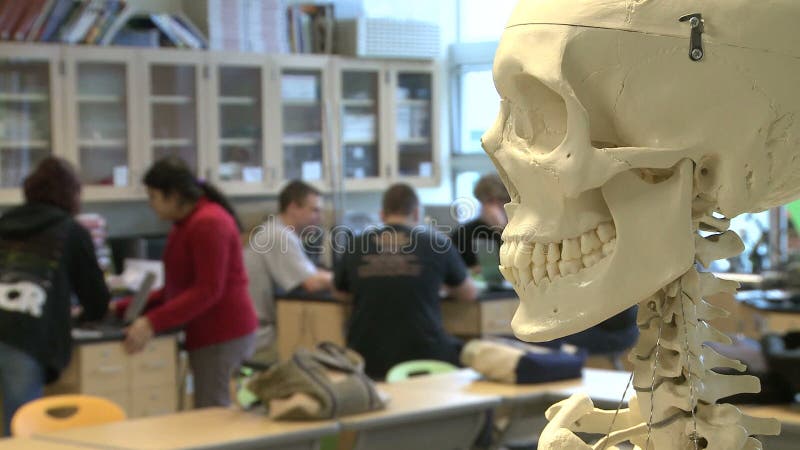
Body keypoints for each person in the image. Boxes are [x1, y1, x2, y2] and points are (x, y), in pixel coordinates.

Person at [121, 156, 258, 408]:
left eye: (153, 197)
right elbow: (178, 288)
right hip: (210, 334)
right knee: (211, 411)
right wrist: (124, 307)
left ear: (173, 195)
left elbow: (207, 290)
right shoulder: (186, 224)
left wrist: (152, 321)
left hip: (222, 335)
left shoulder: (209, 223)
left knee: (215, 415)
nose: (150, 205)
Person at [0, 157, 110, 435]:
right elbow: (96, 299)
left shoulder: (4, 222)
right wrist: (78, 318)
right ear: (71, 194)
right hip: (26, 334)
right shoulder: (71, 231)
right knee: (23, 429)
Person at [334, 183, 478, 379]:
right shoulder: (436, 244)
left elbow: (339, 292)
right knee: (469, 360)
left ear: (382, 214)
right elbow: (469, 293)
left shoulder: (355, 245)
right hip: (426, 354)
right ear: (417, 213)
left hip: (366, 355)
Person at [244, 180, 333, 363]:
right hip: (261, 341)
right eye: (314, 210)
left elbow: (310, 273)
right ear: (293, 208)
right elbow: (312, 282)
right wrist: (349, 277)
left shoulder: (278, 232)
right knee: (319, 357)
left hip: (255, 333)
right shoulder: (279, 236)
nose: (320, 218)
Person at [451, 174, 511, 272]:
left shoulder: (519, 233)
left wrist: (501, 229)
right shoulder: (463, 234)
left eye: (500, 200)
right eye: (490, 201)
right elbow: (451, 271)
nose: (494, 208)